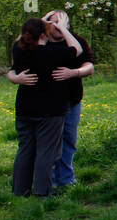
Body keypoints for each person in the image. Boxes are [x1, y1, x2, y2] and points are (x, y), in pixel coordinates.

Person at [8, 17, 81, 197]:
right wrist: (64, 29)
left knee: (25, 150)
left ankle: (20, 190)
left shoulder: (19, 51)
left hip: (25, 108)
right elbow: (76, 49)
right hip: (50, 111)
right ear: (42, 35)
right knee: (46, 152)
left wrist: (37, 23)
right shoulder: (52, 53)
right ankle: (42, 192)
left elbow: (20, 39)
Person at [41, 10, 95, 189]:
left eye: (62, 23)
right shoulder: (41, 42)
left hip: (71, 100)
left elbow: (89, 66)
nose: (58, 27)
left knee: (69, 140)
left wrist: (74, 72)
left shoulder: (77, 41)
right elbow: (19, 49)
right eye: (54, 23)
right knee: (48, 143)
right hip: (46, 102)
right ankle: (47, 180)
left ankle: (65, 179)